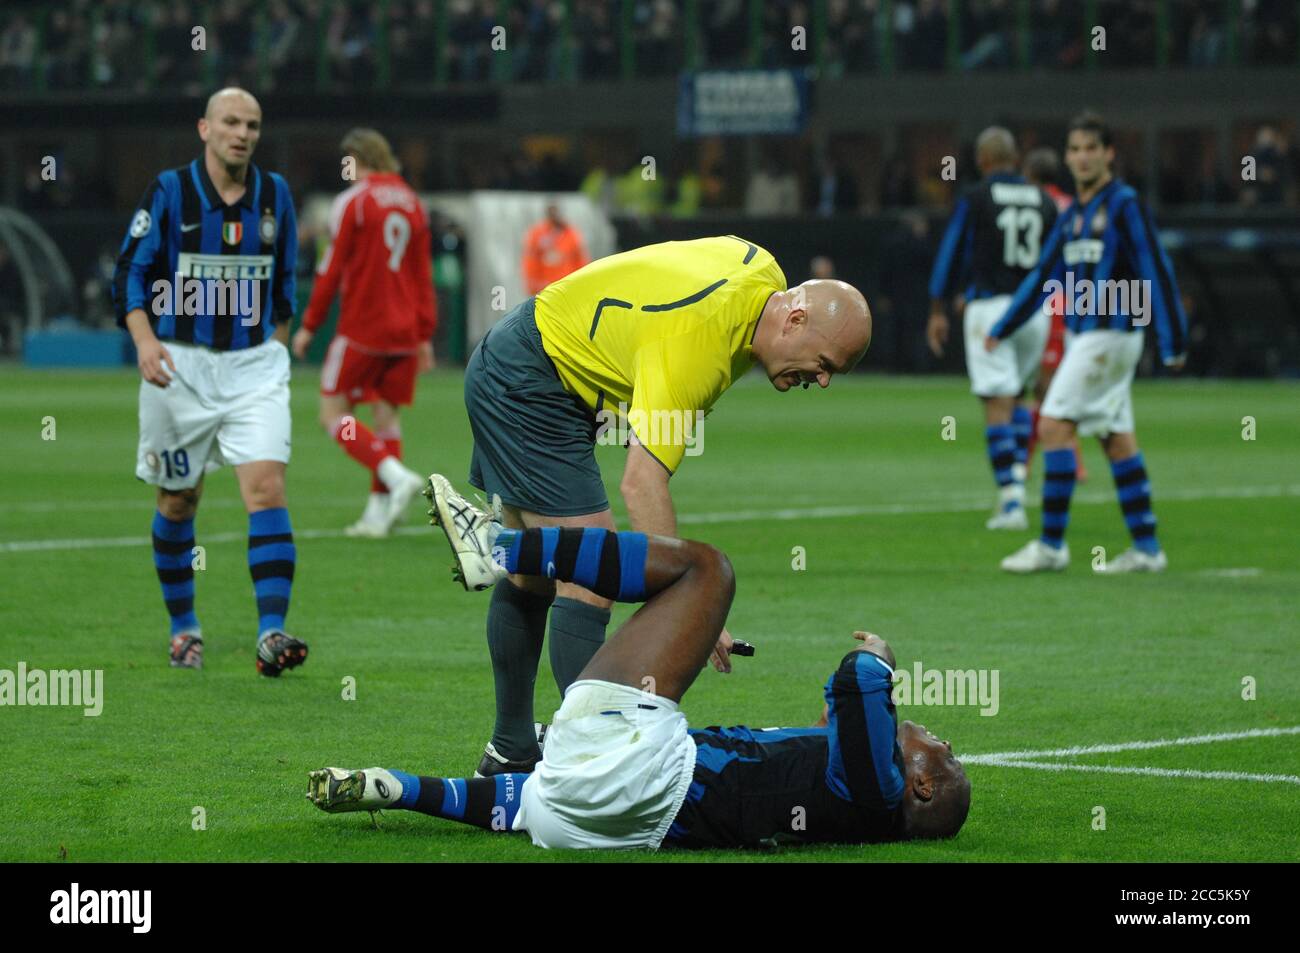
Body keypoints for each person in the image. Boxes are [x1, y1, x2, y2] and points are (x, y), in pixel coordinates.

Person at [438, 236, 872, 778]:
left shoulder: (761, 268)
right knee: (589, 576)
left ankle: (510, 750)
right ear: (795, 318)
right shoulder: (700, 348)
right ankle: (592, 765)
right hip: (532, 382)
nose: (824, 380)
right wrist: (696, 602)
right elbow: (641, 485)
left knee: (536, 577)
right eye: (826, 362)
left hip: (534, 356)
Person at [307, 497, 970, 850]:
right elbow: (847, 717)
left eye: (941, 748)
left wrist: (882, 656)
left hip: (649, 769)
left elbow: (859, 678)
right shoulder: (857, 799)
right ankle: (391, 787)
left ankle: (501, 547)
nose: (938, 735)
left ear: (920, 780)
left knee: (707, 571)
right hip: (614, 825)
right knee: (531, 800)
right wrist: (402, 791)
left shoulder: (879, 791)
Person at [112, 87, 306, 676]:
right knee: (178, 499)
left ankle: (271, 632)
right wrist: (145, 342)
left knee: (266, 489)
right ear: (204, 128)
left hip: (253, 367)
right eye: (230, 122)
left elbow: (285, 286)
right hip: (179, 366)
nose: (241, 133)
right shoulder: (169, 191)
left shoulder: (275, 196)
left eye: (251, 124)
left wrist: (273, 348)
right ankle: (183, 629)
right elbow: (130, 274)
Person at [988, 112, 1188, 574]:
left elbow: (1156, 267)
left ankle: (1052, 545)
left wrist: (1172, 338)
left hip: (1112, 332)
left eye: (1090, 148)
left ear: (1109, 154)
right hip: (1090, 334)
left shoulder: (1124, 204)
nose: (1081, 157)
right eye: (1074, 149)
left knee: (1055, 425)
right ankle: (1147, 549)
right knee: (1117, 440)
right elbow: (1043, 275)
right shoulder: (1074, 213)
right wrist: (1004, 324)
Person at [292, 128, 435, 538]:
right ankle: (377, 512)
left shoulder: (354, 202)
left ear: (357, 157)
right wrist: (424, 332)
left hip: (363, 327)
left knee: (333, 415)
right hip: (405, 329)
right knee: (386, 417)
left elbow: (330, 268)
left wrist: (309, 325)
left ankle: (393, 474)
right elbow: (421, 274)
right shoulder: (413, 202)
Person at [927, 127, 1059, 530]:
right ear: (1016, 159)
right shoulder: (1044, 199)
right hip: (1034, 311)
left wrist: (937, 305)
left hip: (991, 309)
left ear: (983, 161)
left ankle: (1011, 501)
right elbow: (1055, 258)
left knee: (996, 404)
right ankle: (1018, 485)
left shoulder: (976, 197)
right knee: (1020, 398)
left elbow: (952, 250)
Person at [1022, 146, 1086, 482]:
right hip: (1073, 300)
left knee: (1040, 390)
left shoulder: (1030, 203)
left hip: (1042, 302)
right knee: (1059, 386)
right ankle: (1072, 459)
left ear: (1029, 175)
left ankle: (1027, 463)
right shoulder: (1073, 206)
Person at [521, 202, 589, 296]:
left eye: (556, 213)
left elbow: (580, 259)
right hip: (544, 286)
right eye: (551, 213)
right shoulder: (538, 233)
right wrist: (532, 284)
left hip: (566, 284)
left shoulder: (571, 234)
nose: (554, 216)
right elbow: (530, 260)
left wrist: (582, 281)